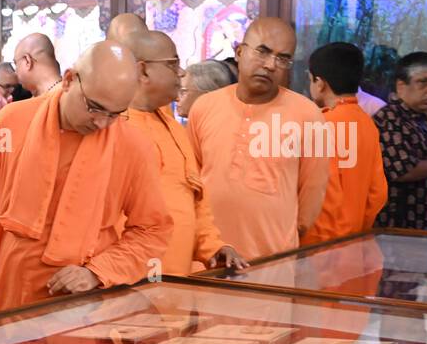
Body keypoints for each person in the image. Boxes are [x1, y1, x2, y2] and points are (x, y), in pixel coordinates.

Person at [0, 40, 173, 314]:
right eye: (94, 107)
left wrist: (97, 272)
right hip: (11, 295)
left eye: (116, 114)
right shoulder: (12, 122)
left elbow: (152, 230)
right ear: (69, 79)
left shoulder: (134, 145)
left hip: (87, 305)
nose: (102, 123)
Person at [187, 17, 331, 259]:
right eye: (262, 52)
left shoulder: (308, 115)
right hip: (207, 260)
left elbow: (311, 196)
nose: (271, 65)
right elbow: (191, 182)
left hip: (270, 266)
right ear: (240, 52)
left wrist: (281, 242)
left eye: (282, 58)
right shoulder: (204, 107)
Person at [124, 31, 245, 274]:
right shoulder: (114, 128)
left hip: (179, 280)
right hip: (134, 280)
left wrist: (213, 246)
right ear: (143, 71)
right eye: (173, 64)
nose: (180, 73)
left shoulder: (174, 129)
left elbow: (196, 199)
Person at [301, 42, 387, 244]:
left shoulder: (322, 125)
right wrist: (358, 229)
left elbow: (322, 193)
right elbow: (378, 193)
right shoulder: (366, 122)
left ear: (320, 83)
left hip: (320, 247)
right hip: (355, 241)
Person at [374, 52, 427, 229]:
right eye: (424, 82)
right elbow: (403, 170)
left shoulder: (416, 119)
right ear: (401, 85)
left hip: (418, 223)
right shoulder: (390, 117)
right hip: (397, 225)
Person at [13, 33, 63, 97]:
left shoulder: (67, 98)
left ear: (27, 61)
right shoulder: (73, 93)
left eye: (15, 63)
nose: (15, 72)